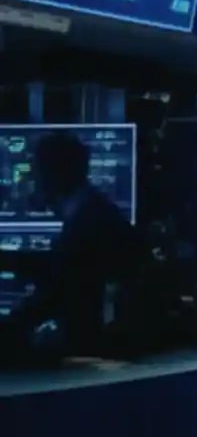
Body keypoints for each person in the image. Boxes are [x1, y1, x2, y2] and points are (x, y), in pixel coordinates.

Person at [8, 132, 142, 359]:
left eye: (37, 172)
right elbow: (62, 266)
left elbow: (63, 282)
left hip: (90, 355)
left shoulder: (90, 220)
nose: (34, 182)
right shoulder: (92, 210)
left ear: (54, 174)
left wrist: (11, 326)